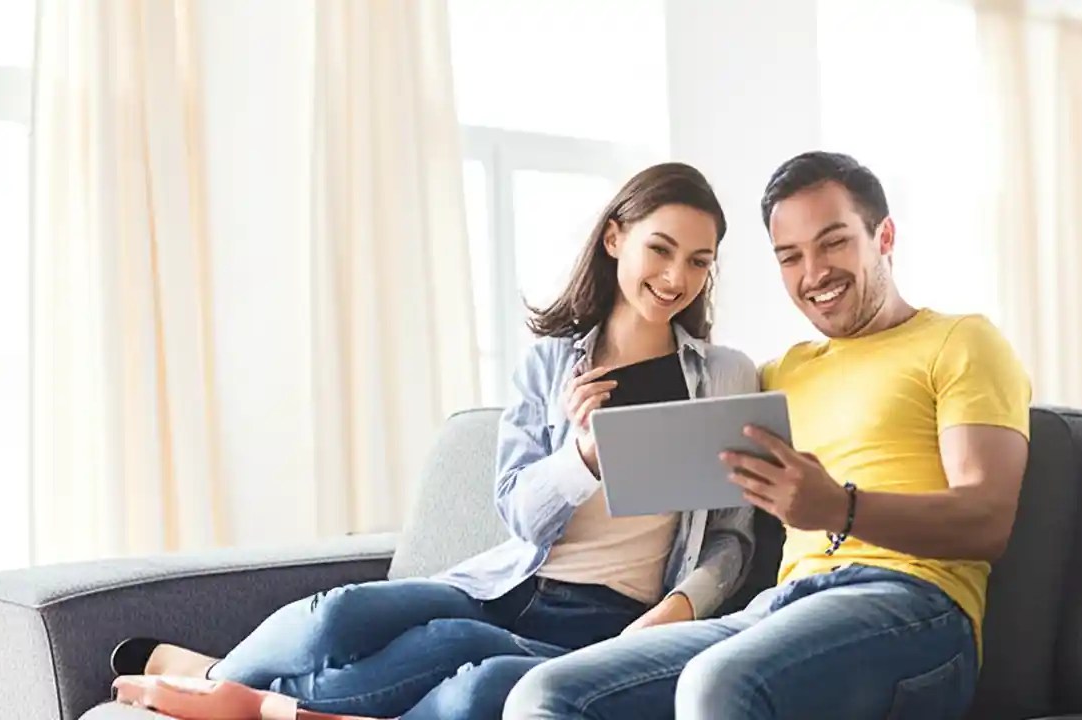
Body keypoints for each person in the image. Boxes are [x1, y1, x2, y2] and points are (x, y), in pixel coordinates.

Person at [108, 162, 759, 720]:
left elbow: (731, 536)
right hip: (512, 582)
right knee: (338, 617)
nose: (677, 276)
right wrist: (582, 458)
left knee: (463, 666)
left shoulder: (725, 375)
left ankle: (244, 699)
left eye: (699, 261)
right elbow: (520, 518)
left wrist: (677, 609)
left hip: (607, 618)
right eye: (661, 249)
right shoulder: (549, 367)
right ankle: (225, 680)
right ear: (616, 239)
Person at [502, 151, 1033, 720]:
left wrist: (840, 508)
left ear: (884, 236)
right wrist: (580, 436)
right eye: (790, 256)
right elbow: (690, 491)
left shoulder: (962, 341)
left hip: (913, 604)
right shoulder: (776, 377)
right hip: (780, 608)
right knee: (546, 693)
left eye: (834, 243)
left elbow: (987, 520)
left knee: (716, 683)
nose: (814, 273)